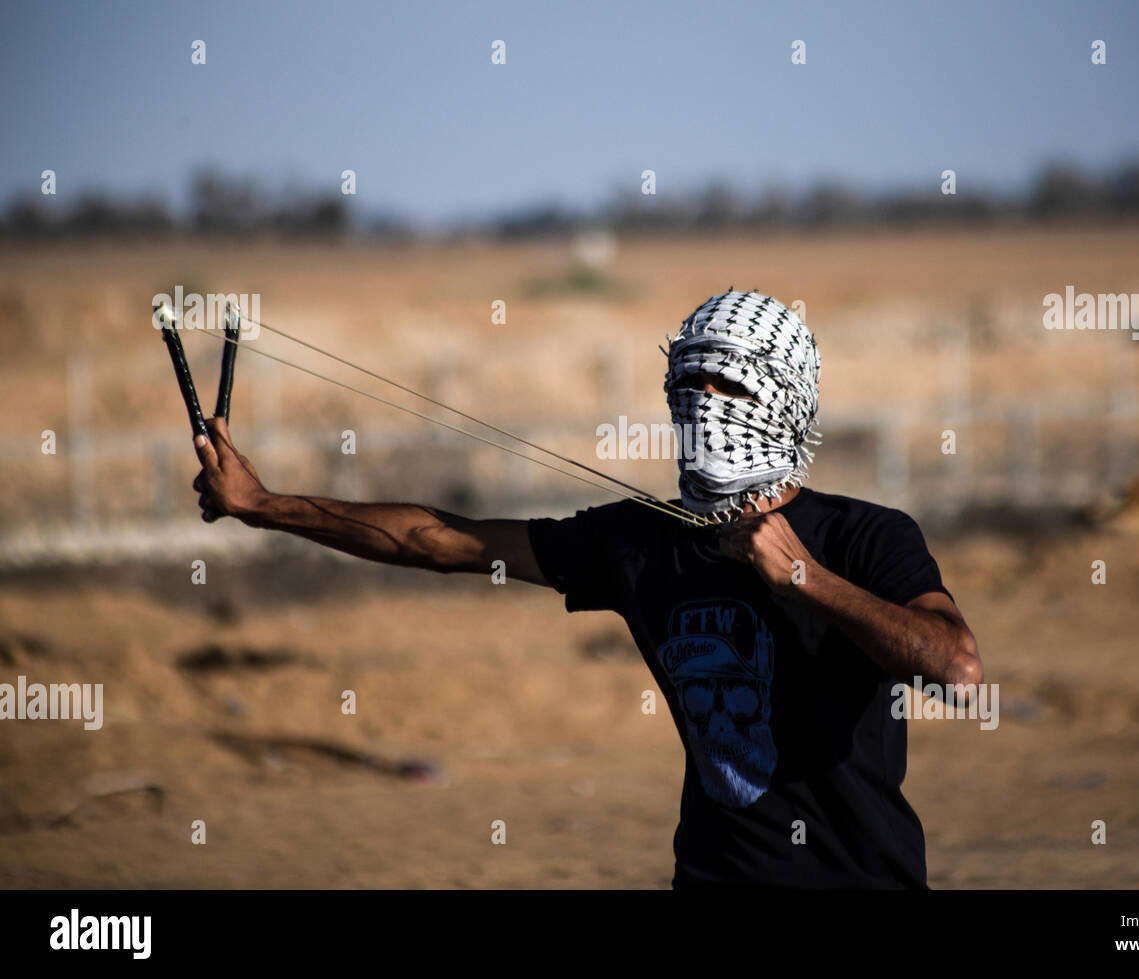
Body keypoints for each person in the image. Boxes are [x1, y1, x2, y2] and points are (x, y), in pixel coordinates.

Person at [192, 289, 981, 889]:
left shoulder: (867, 535)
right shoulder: (638, 541)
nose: (706, 404)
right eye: (691, 381)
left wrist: (802, 576)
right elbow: (441, 540)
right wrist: (266, 506)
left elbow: (956, 668)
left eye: (730, 386)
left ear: (787, 399)